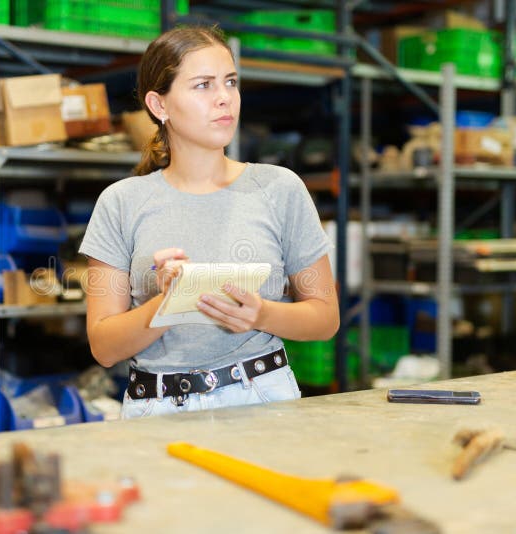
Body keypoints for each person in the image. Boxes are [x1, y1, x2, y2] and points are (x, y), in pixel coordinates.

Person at [79, 25, 339, 419]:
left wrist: (262, 314)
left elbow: (325, 317)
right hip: (158, 407)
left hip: (263, 398)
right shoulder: (120, 203)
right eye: (203, 85)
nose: (224, 99)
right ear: (159, 105)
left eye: (230, 82)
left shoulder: (279, 188)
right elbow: (103, 346)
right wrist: (168, 305)